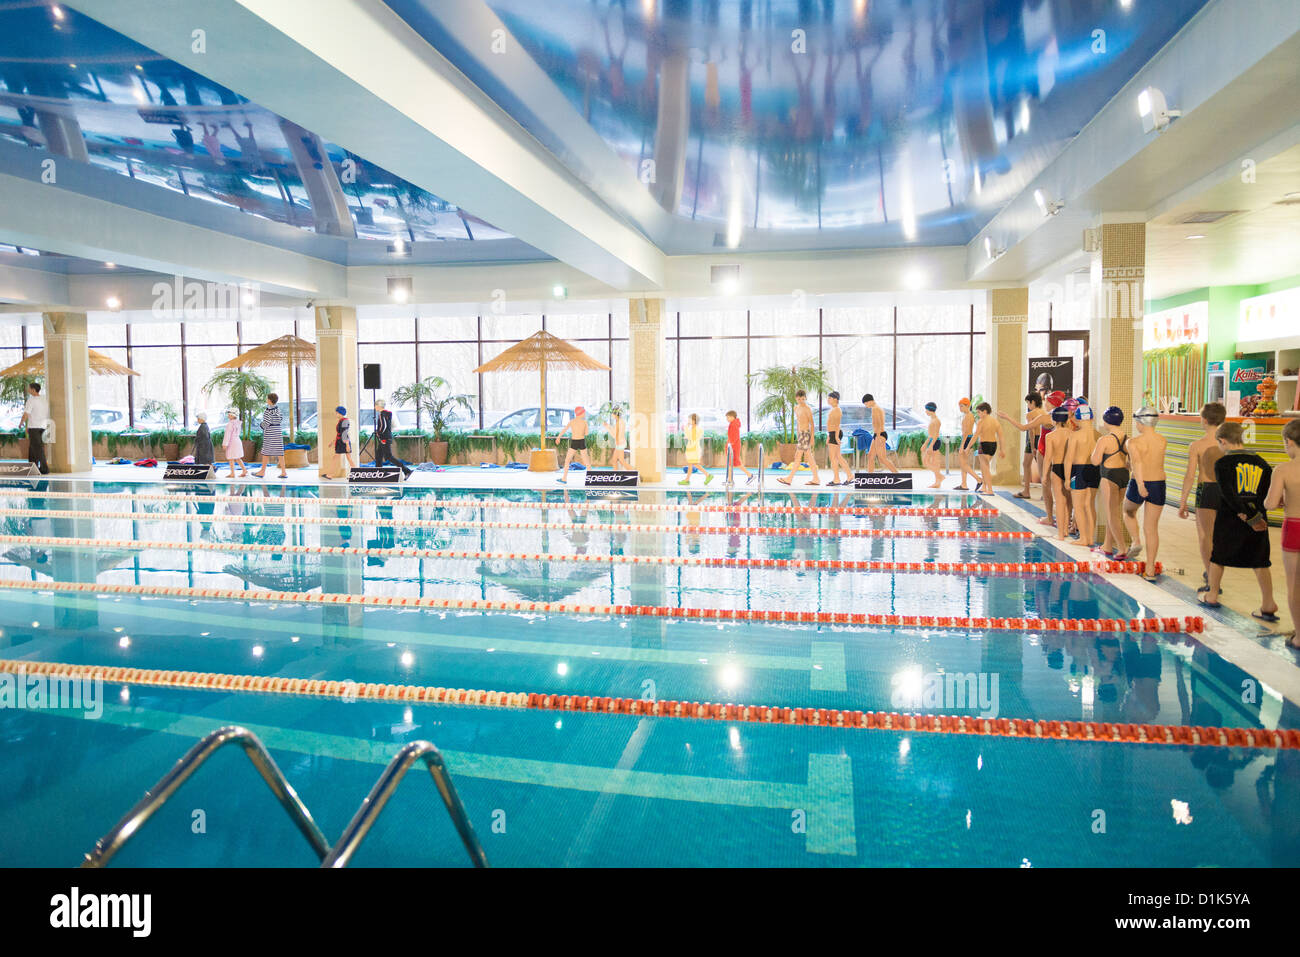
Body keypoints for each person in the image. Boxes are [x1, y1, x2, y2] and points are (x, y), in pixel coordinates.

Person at [1202, 421, 1278, 623]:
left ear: (1223, 441)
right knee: (1260, 560)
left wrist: (1245, 515)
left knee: (1218, 556)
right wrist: (1256, 517)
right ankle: (1268, 603)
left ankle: (1212, 594)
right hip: (1258, 519)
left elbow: (1228, 494)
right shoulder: (1261, 462)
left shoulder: (1223, 463)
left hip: (1231, 517)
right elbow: (1265, 494)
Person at [1177, 402, 1227, 593]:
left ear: (1204, 420)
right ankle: (1214, 573)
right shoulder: (1228, 444)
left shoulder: (1197, 445)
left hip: (1206, 491)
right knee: (1220, 536)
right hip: (1226, 492)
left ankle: (1212, 580)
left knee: (1206, 537)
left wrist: (1183, 502)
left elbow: (1190, 475)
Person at [1262, 419, 1300, 644]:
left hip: (1294, 528)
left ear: (1289, 442)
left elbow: (1269, 503)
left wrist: (1280, 500)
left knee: (1295, 585)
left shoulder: (1284, 469)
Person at [1122, 408, 1168, 582]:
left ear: (1141, 422)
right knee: (1151, 528)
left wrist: (1140, 485)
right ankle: (1150, 569)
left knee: (1128, 511)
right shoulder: (1162, 441)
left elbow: (1138, 463)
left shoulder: (1132, 442)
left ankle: (1135, 541)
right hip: (1159, 484)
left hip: (1139, 483)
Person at [1090, 406, 1131, 558]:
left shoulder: (1105, 439)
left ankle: (1122, 549)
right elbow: (1130, 463)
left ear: (1107, 421)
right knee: (1113, 512)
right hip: (1123, 477)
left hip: (1109, 477)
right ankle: (1107, 546)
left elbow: (1095, 461)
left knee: (1112, 514)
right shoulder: (1128, 439)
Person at [997, 392, 1049, 499]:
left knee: (1026, 464)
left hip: (1035, 440)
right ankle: (1045, 493)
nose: (1028, 406)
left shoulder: (1030, 414)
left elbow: (1031, 431)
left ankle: (1026, 491)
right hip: (1044, 439)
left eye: (1028, 403)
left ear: (1032, 402)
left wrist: (1033, 445)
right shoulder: (1045, 412)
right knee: (1044, 468)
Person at [1063, 401, 1100, 546]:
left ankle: (1083, 538)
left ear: (1077, 419)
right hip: (1094, 470)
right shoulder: (1097, 435)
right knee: (1090, 505)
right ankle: (1090, 537)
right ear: (1091, 418)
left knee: (1078, 506)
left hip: (1079, 471)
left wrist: (1067, 479)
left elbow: (1068, 459)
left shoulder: (1075, 435)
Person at [780, 390, 820, 486]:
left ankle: (790, 478)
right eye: (799, 399)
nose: (801, 401)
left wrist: (812, 437)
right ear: (796, 399)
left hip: (806, 434)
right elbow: (798, 422)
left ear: (805, 398)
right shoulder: (796, 408)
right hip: (801, 435)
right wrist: (798, 435)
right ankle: (816, 478)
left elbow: (812, 424)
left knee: (799, 457)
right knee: (806, 457)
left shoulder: (807, 409)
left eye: (803, 399)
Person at [1045, 405, 1073, 538]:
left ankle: (1060, 533)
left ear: (1054, 420)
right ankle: (1066, 529)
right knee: (1068, 501)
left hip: (1056, 468)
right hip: (1070, 469)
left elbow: (1048, 457)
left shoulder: (1050, 436)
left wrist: (1044, 475)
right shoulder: (1072, 434)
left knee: (1060, 501)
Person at [372, 399, 412, 478]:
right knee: (379, 455)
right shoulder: (387, 414)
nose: (374, 407)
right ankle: (378, 472)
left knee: (389, 456)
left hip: (384, 438)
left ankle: (406, 470)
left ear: (378, 406)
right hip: (385, 437)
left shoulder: (382, 414)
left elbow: (384, 426)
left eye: (375, 405)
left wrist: (378, 433)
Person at [253, 392, 286, 479]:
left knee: (266, 452)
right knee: (280, 453)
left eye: (267, 398)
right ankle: (284, 472)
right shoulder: (278, 410)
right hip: (278, 432)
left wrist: (261, 425)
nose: (266, 400)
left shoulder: (268, 411)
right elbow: (281, 419)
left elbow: (266, 423)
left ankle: (262, 471)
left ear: (270, 400)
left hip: (270, 433)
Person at [556, 406, 593, 484]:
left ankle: (564, 479)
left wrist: (558, 437)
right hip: (582, 441)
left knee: (567, 460)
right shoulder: (584, 422)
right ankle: (591, 479)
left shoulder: (572, 421)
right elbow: (586, 433)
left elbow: (564, 430)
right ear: (581, 413)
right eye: (584, 412)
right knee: (586, 461)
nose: (585, 414)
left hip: (574, 442)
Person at [18, 381, 49, 475]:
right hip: (42, 427)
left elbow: (26, 414)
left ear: (33, 390)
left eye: (29, 388)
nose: (28, 390)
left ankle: (44, 469)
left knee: (37, 448)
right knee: (33, 447)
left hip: (34, 427)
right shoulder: (44, 399)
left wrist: (21, 423)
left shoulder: (31, 400)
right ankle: (32, 467)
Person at [862, 394, 897, 473]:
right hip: (877, 434)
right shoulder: (877, 408)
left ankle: (897, 474)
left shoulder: (876, 409)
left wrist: (878, 436)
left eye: (866, 403)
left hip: (879, 434)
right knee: (870, 456)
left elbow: (879, 423)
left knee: (882, 458)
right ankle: (870, 476)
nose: (866, 406)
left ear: (870, 401)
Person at [972, 402, 1001, 494]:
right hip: (993, 445)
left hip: (984, 444)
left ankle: (990, 489)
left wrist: (968, 447)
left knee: (985, 468)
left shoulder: (981, 421)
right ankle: (984, 486)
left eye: (979, 412)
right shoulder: (995, 421)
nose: (978, 415)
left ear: (984, 411)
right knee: (985, 467)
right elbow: (1001, 436)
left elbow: (976, 435)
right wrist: (1002, 449)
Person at [321, 406, 355, 480]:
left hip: (344, 442)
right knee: (337, 458)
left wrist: (347, 445)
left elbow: (345, 434)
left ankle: (355, 474)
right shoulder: (341, 421)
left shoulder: (344, 421)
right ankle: (330, 474)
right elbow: (339, 433)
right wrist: (332, 442)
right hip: (340, 441)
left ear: (340, 413)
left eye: (336, 413)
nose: (336, 414)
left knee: (348, 458)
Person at [824, 392, 851, 486]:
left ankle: (837, 479)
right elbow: (831, 424)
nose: (828, 400)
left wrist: (835, 437)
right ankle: (849, 476)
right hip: (832, 434)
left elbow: (837, 425)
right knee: (838, 457)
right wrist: (829, 435)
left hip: (835, 434)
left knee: (833, 458)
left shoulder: (837, 410)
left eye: (830, 398)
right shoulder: (834, 409)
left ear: (835, 399)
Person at [680, 412, 712, 486]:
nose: (688, 421)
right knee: (691, 464)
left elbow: (690, 438)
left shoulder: (695, 429)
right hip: (693, 448)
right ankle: (687, 480)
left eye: (689, 419)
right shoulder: (695, 428)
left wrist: (686, 428)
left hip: (693, 449)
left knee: (695, 464)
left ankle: (707, 475)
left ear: (694, 421)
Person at [724, 410, 755, 484]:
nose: (727, 419)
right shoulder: (734, 423)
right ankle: (730, 480)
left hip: (733, 446)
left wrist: (730, 445)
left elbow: (734, 437)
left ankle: (749, 475)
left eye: (728, 417)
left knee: (734, 462)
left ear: (732, 417)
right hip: (734, 445)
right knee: (732, 463)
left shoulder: (733, 425)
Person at [955, 397, 976, 490]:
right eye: (959, 406)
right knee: (963, 463)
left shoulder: (969, 416)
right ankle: (964, 484)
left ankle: (978, 479)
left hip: (966, 439)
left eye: (962, 406)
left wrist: (962, 445)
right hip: (966, 439)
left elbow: (967, 432)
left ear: (968, 406)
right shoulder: (966, 415)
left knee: (963, 464)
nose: (960, 408)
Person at [922, 401, 943, 489]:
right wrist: (925, 444)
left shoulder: (936, 421)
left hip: (935, 442)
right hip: (932, 441)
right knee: (932, 463)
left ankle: (939, 478)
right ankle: (937, 482)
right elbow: (931, 434)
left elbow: (936, 435)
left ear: (930, 409)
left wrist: (930, 446)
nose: (925, 411)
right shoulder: (932, 419)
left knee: (927, 461)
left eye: (926, 409)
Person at [222, 409, 249, 477]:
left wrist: (225, 444)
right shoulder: (238, 423)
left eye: (229, 414)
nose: (228, 415)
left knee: (231, 458)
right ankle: (244, 470)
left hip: (232, 442)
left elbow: (227, 435)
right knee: (237, 457)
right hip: (237, 440)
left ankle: (232, 473)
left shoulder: (230, 424)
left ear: (232, 415)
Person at [609, 406, 629, 471]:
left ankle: (634, 472)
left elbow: (616, 434)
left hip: (619, 443)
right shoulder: (621, 421)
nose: (611, 415)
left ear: (615, 414)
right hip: (621, 443)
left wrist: (617, 443)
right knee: (614, 460)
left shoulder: (618, 422)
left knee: (621, 461)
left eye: (612, 413)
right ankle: (615, 473)